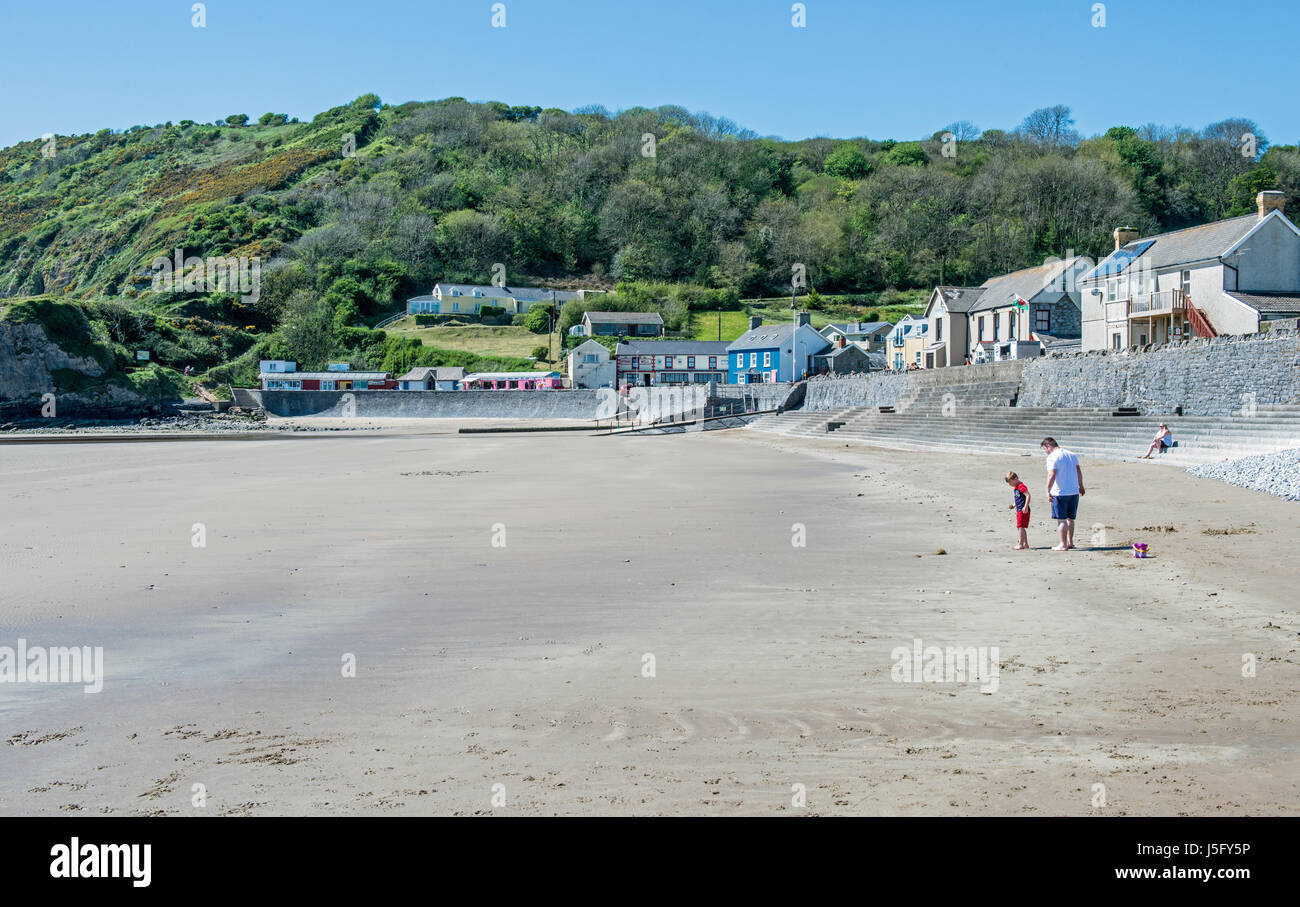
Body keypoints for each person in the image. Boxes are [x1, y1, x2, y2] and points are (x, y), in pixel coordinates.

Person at [1041, 437, 1084, 551]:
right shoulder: (1071, 454)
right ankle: (1070, 542)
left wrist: (1047, 490)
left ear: (1048, 446)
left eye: (1045, 449)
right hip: (1073, 491)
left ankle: (1063, 544)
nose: (1046, 452)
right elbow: (1078, 470)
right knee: (1070, 519)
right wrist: (1081, 485)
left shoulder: (1052, 457)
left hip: (1060, 492)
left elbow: (1052, 474)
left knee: (1062, 519)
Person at [1005, 471, 1031, 550]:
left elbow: (1028, 495)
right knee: (1021, 527)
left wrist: (1025, 506)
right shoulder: (1016, 487)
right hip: (1019, 509)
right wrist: (1013, 505)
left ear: (1015, 479)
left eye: (1010, 482)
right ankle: (1025, 544)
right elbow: (1019, 498)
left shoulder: (1021, 486)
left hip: (1023, 510)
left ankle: (1020, 544)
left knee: (1020, 527)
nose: (1010, 485)